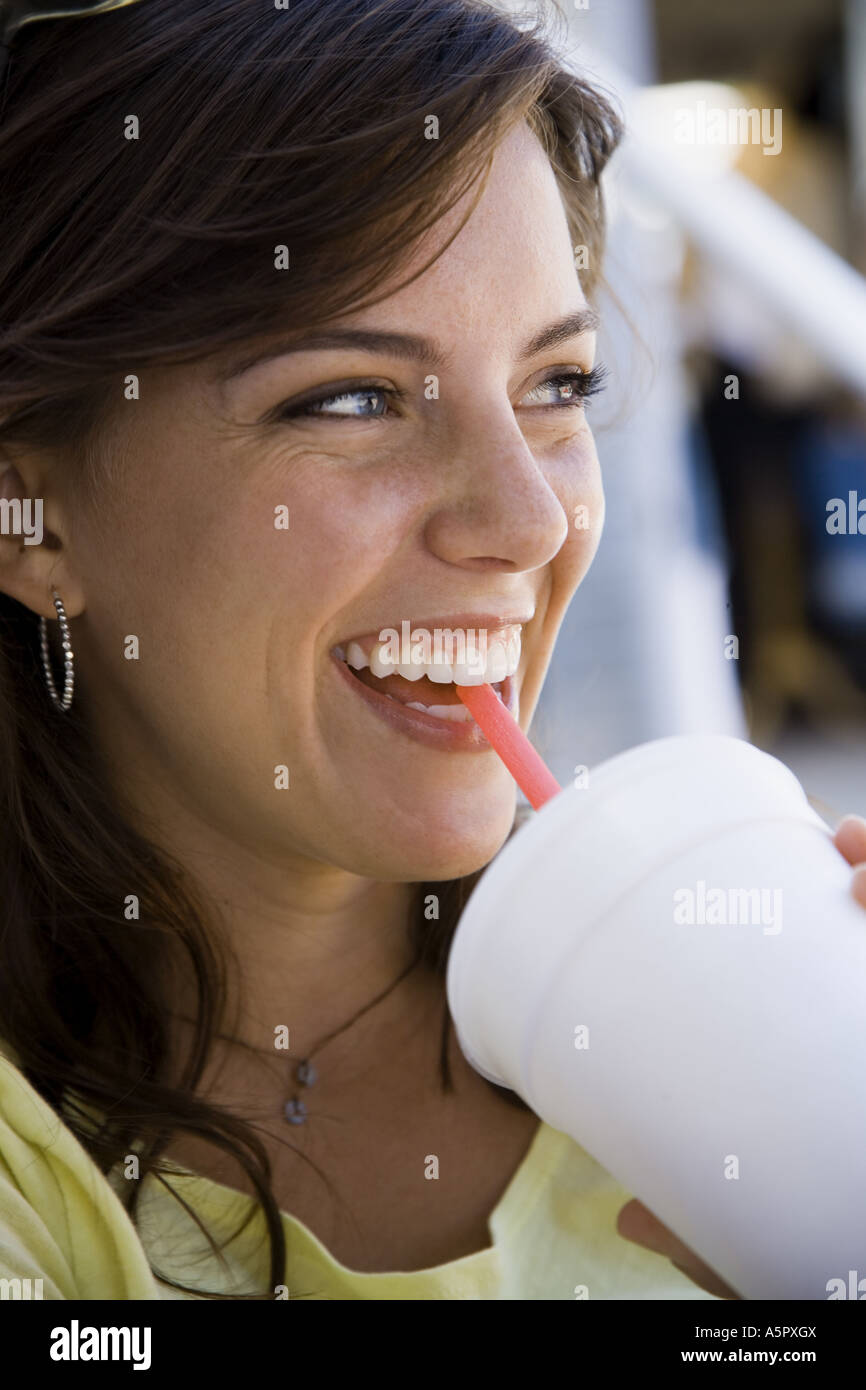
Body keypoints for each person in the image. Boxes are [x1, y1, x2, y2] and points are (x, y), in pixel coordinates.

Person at [1, 0, 864, 1302]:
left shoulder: (745, 993)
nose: (526, 519)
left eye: (557, 386)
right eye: (350, 397)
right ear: (35, 516)